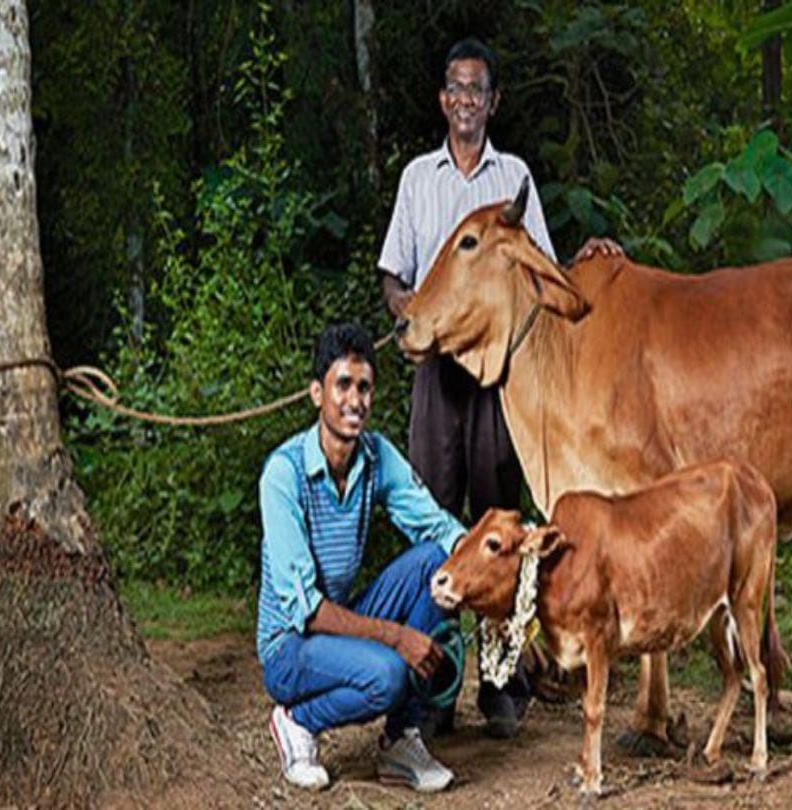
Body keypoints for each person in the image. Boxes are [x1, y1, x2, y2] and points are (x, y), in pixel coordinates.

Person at [378, 37, 620, 738]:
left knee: (498, 522)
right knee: (433, 524)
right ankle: (431, 687)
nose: (465, 102)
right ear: (442, 100)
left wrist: (587, 258)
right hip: (436, 374)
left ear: (493, 103)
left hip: (499, 377)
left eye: (477, 90)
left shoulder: (512, 177)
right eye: (455, 89)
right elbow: (396, 274)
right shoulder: (418, 180)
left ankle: (503, 685)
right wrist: (410, 315)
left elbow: (539, 265)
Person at [258, 323, 464, 793]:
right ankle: (297, 721)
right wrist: (398, 638)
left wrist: (489, 565)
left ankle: (399, 742)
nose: (355, 399)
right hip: (289, 645)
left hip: (340, 621)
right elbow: (306, 612)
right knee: (389, 674)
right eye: (343, 385)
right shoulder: (282, 476)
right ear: (317, 393)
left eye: (364, 386)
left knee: (438, 562)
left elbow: (437, 525)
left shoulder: (375, 455)